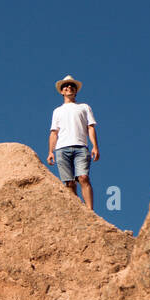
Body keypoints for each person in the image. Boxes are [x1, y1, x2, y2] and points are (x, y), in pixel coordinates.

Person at [46, 75, 100, 211]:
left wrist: (95, 146)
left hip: (81, 147)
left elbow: (91, 127)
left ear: (76, 91)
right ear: (62, 92)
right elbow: (54, 133)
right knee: (69, 183)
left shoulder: (84, 107)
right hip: (61, 149)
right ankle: (77, 211)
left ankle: (89, 210)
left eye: (72, 86)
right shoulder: (57, 111)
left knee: (83, 178)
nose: (69, 87)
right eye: (66, 86)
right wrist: (50, 151)